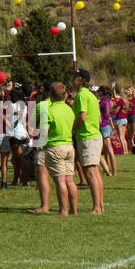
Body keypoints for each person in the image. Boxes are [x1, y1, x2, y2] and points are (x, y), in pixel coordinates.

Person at [70, 70, 104, 214]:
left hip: (87, 136)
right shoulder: (91, 95)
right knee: (95, 172)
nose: (72, 79)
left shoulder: (82, 95)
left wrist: (72, 128)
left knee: (90, 173)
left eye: (74, 77)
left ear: (80, 80)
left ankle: (97, 207)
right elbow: (99, 119)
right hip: (94, 135)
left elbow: (82, 116)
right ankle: (100, 206)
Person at [42, 83, 77, 216]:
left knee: (60, 180)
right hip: (69, 145)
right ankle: (74, 209)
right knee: (70, 180)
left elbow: (44, 133)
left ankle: (63, 210)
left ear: (50, 95)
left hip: (55, 146)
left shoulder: (49, 111)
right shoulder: (69, 109)